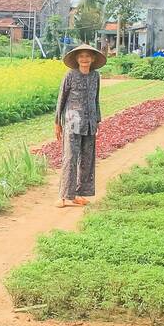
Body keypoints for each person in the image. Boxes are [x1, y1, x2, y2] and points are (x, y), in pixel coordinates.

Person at [54, 43, 106, 207]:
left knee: (87, 159)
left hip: (90, 122)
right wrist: (57, 122)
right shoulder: (70, 75)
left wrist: (97, 119)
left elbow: (96, 99)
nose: (84, 59)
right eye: (81, 56)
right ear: (77, 59)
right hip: (73, 120)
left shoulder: (95, 76)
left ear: (93, 59)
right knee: (70, 157)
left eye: (87, 56)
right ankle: (63, 196)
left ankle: (77, 194)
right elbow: (61, 98)